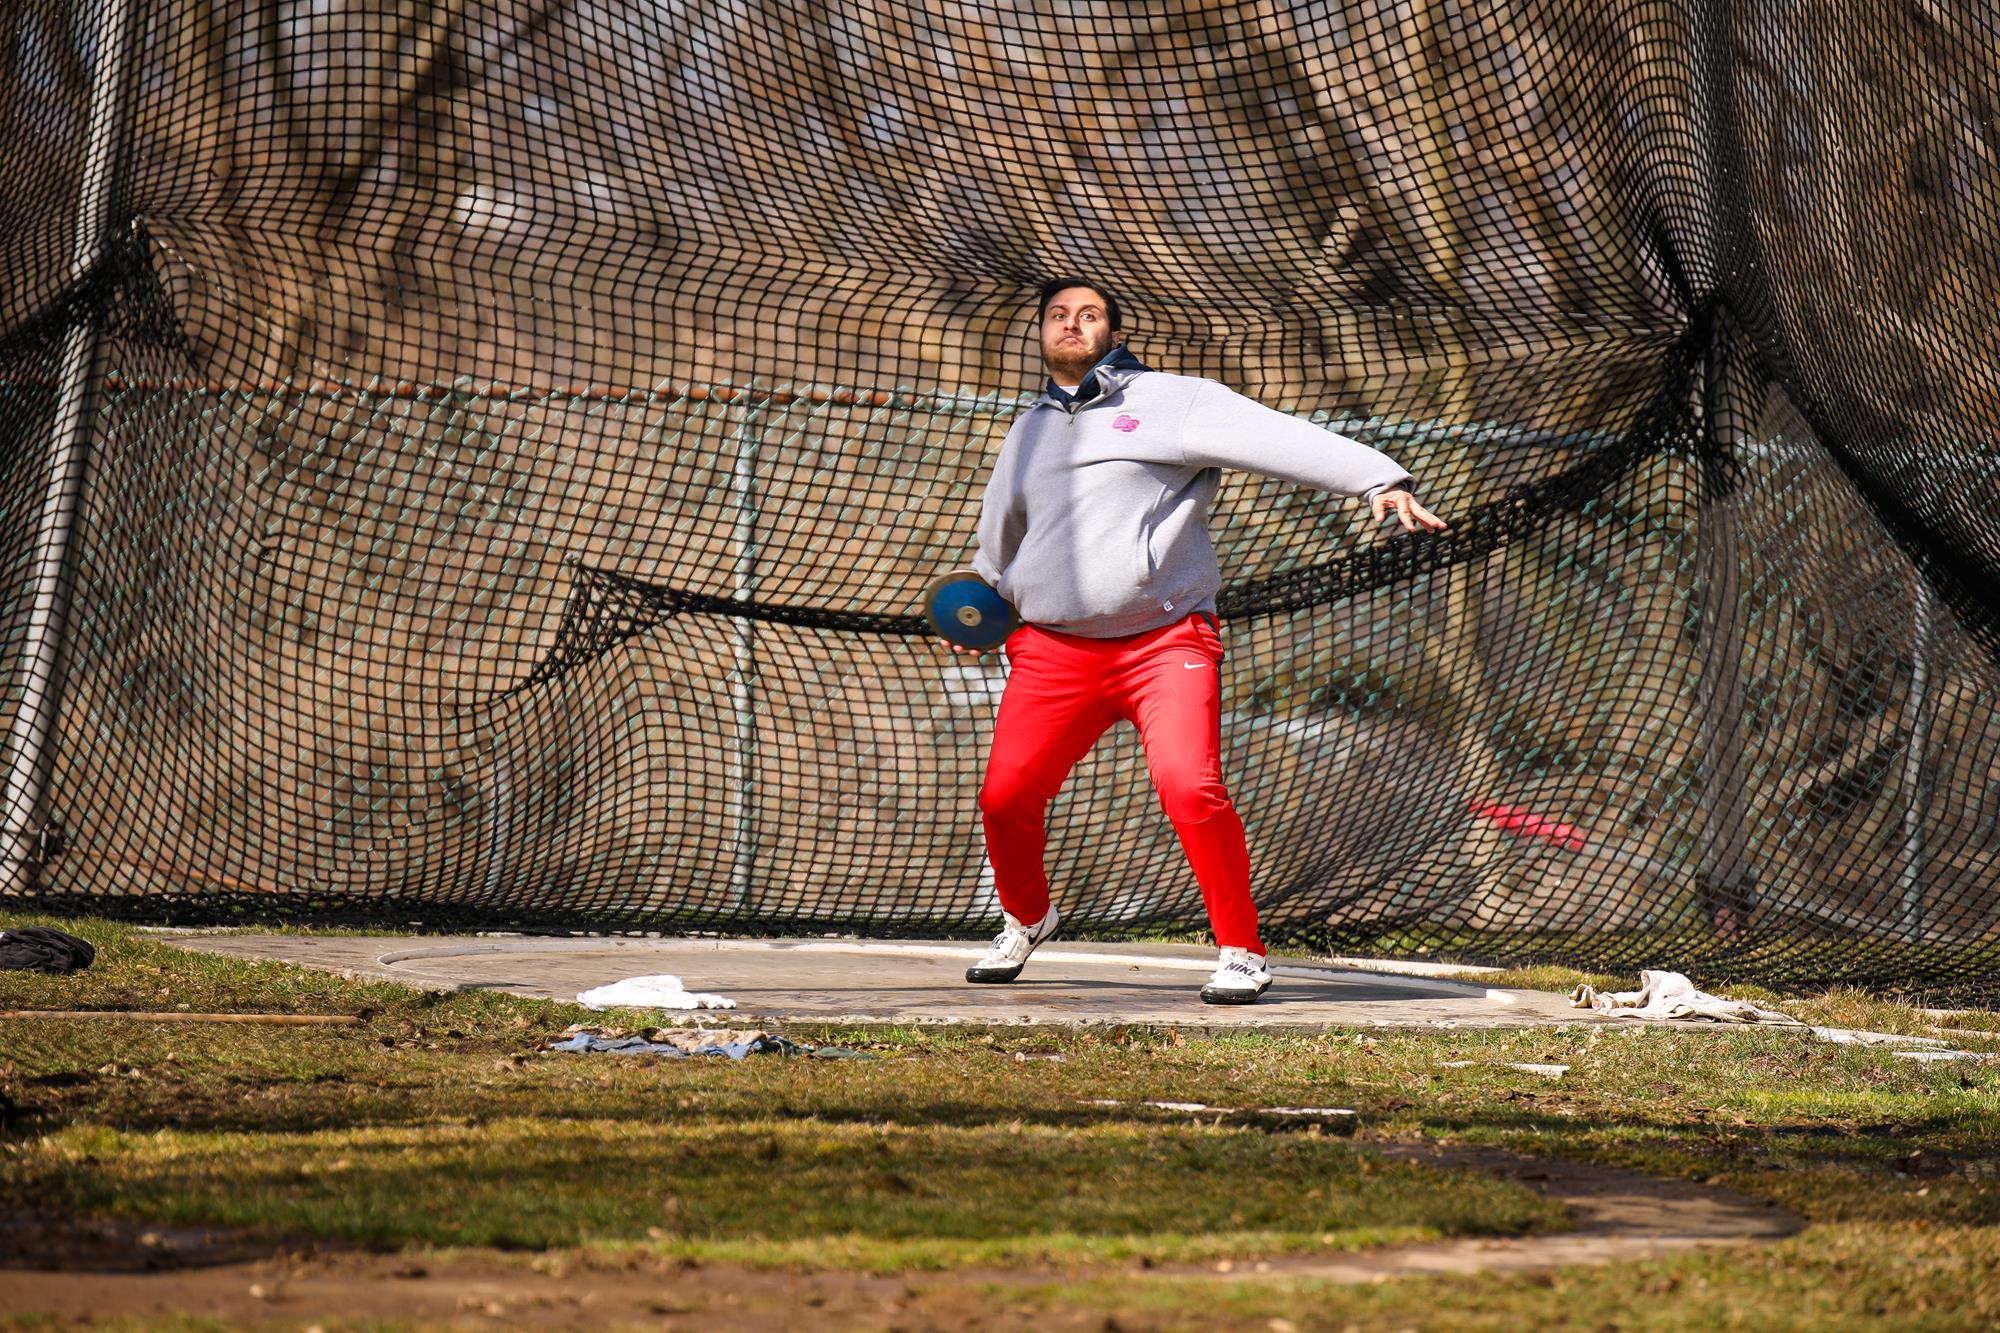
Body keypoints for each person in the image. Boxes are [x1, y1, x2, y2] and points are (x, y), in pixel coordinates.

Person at [942, 277, 1449, 1004]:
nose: (1071, 325)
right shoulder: (1029, 429)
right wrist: (984, 601)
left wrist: (1376, 481)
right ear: (1042, 335)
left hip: (1162, 641)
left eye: (1089, 316)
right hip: (1053, 648)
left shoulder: (1170, 402)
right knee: (1004, 796)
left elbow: (1280, 437)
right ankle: (1027, 918)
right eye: (1057, 316)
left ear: (1113, 335)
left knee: (1190, 787)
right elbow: (1001, 532)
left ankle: (1240, 949)